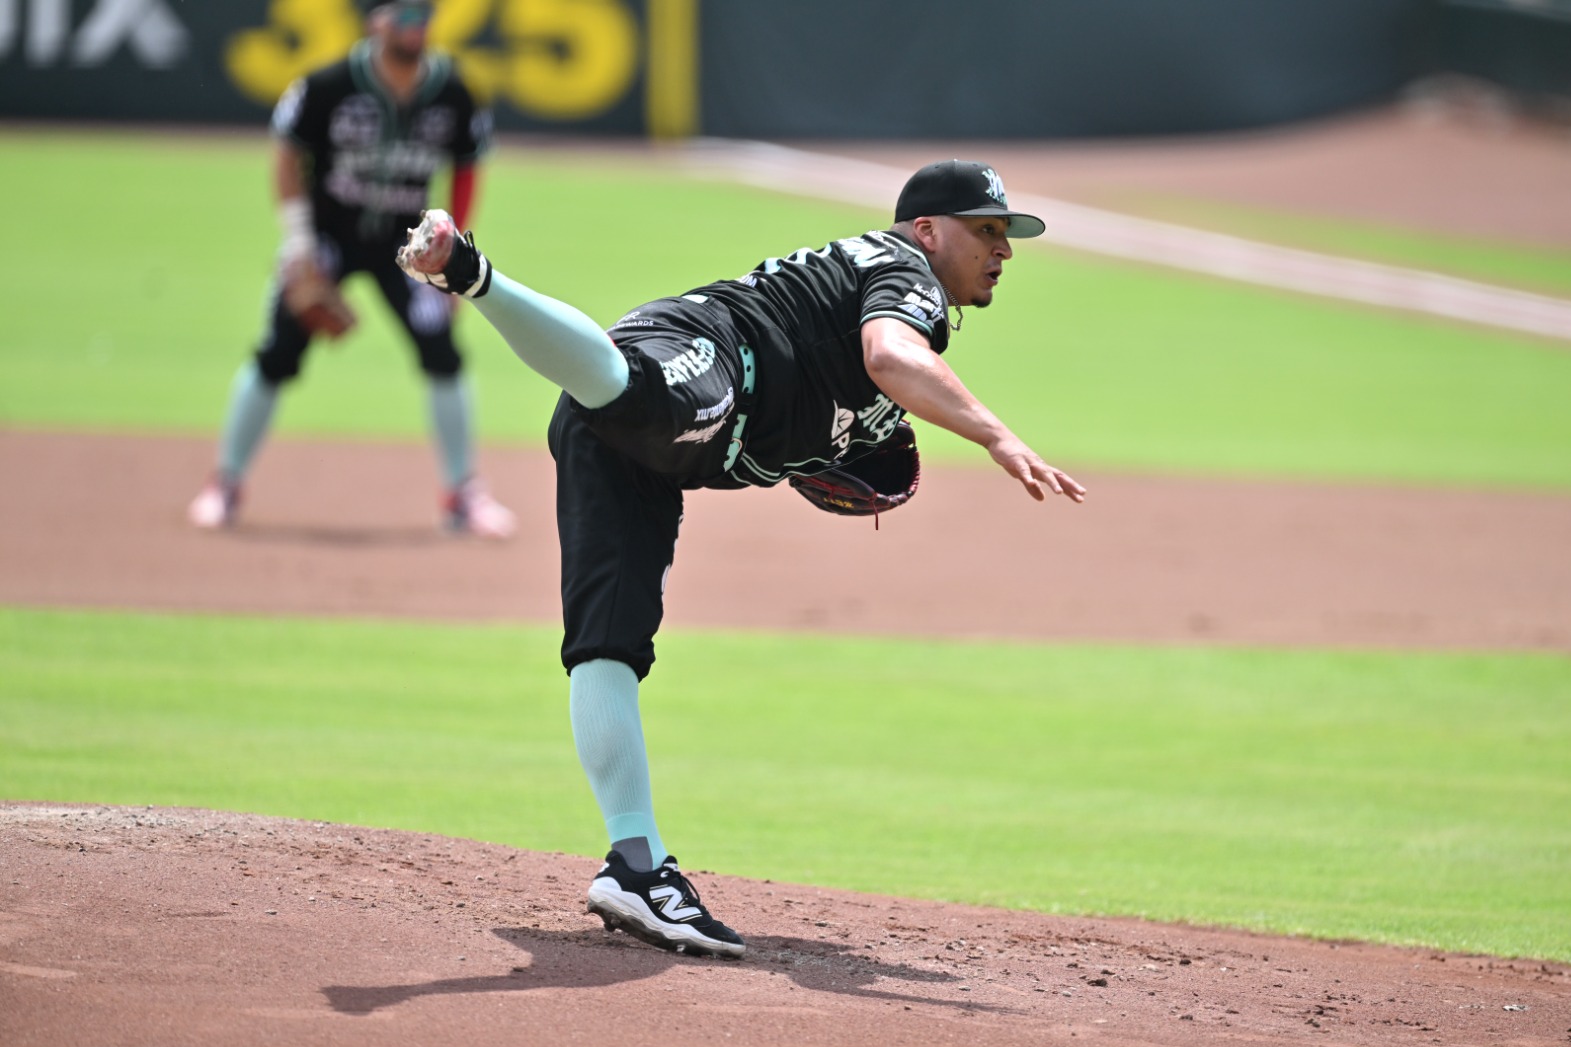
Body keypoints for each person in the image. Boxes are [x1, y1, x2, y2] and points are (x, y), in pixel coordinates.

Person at [397, 159, 1087, 958]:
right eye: (987, 231)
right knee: (631, 390)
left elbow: (844, 414)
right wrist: (997, 434)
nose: (1002, 249)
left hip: (636, 451)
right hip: (703, 354)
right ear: (929, 231)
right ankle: (471, 271)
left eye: (1007, 234)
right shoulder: (906, 271)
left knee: (607, 648)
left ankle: (636, 867)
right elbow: (891, 357)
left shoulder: (855, 396)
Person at [187, 0, 514, 537]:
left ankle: (464, 495)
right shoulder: (329, 85)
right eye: (403, 16)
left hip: (406, 245)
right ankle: (223, 485)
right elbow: (288, 156)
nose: (416, 27)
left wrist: (453, 257)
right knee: (277, 352)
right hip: (326, 240)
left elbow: (467, 167)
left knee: (443, 353)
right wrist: (297, 246)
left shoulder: (453, 92)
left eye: (424, 16)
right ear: (376, 22)